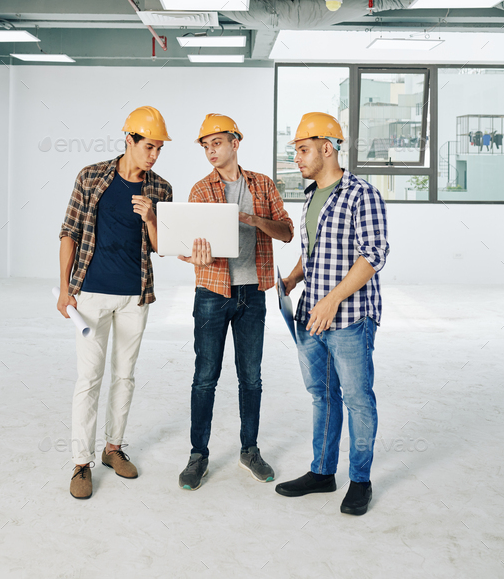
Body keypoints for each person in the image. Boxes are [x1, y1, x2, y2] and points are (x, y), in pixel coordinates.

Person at [275, 112, 389, 516]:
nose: (298, 159)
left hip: (350, 318)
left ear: (328, 148)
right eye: (296, 151)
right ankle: (323, 473)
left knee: (357, 398)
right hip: (310, 317)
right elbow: (315, 255)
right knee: (322, 396)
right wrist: (291, 281)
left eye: (303, 150)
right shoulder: (310, 196)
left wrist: (332, 299)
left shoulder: (362, 194)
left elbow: (373, 254)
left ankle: (360, 480)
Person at [57, 106, 173, 500]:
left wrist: (152, 219)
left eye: (159, 149)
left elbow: (163, 248)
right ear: (129, 140)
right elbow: (69, 232)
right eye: (149, 147)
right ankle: (80, 462)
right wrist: (63, 289)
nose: (154, 156)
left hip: (134, 297)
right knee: (89, 378)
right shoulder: (91, 177)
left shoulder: (160, 189)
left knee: (124, 375)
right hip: (89, 294)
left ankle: (113, 449)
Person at [177, 113, 294, 491]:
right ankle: (198, 455)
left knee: (252, 377)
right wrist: (192, 255)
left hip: (253, 293)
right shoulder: (200, 190)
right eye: (205, 145)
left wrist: (253, 219)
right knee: (205, 378)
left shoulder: (262, 185)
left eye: (217, 143)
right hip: (212, 292)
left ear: (235, 143)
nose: (211, 151)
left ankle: (250, 450)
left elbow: (288, 233)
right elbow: (185, 244)